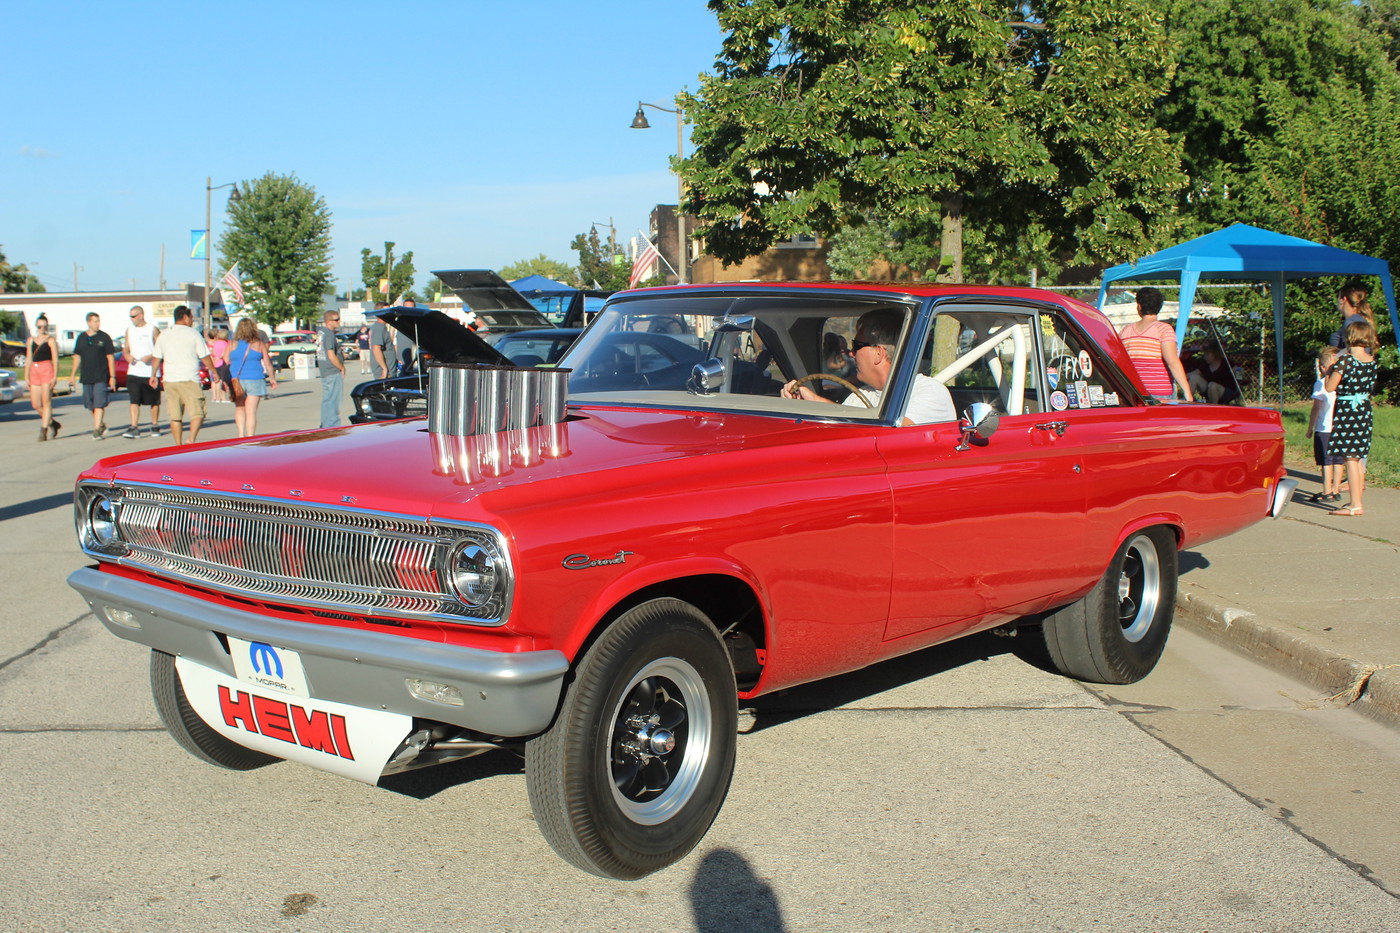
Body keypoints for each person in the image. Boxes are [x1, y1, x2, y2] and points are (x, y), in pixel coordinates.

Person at [782, 309, 957, 425]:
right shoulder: (862, 394)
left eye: (856, 345)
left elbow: (898, 434)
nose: (851, 353)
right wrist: (809, 403)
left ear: (878, 353)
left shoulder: (928, 391)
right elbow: (841, 426)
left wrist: (816, 401)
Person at [1323, 321, 1380, 517]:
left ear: (1349, 337)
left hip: (1348, 411)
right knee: (1356, 458)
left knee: (1350, 459)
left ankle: (1356, 504)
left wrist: (1329, 369)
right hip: (1363, 409)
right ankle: (1356, 501)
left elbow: (1330, 387)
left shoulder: (1345, 361)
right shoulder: (1370, 360)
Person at [151, 305, 220, 445]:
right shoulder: (193, 333)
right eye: (191, 317)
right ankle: (191, 439)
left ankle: (178, 443)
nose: (192, 321)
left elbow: (156, 357)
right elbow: (204, 355)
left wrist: (153, 375)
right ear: (185, 317)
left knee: (175, 416)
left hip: (170, 380)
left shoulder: (164, 334)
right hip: (189, 379)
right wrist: (214, 371)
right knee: (198, 413)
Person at [1118, 287, 1194, 401]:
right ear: (1159, 307)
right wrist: (1187, 391)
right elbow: (1172, 361)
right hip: (1161, 392)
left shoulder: (1125, 331)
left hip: (1135, 392)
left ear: (1139, 306)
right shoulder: (1163, 329)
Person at [66, 312, 117, 440]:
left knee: (99, 403)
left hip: (101, 375)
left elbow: (110, 358)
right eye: (95, 321)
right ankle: (100, 424)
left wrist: (112, 376)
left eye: (98, 321)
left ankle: (96, 430)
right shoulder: (82, 338)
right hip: (87, 376)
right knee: (91, 404)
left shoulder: (104, 337)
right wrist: (72, 375)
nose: (97, 324)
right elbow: (77, 357)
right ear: (88, 322)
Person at [1306, 346, 1344, 504]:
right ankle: (1336, 489)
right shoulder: (1342, 382)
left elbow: (1316, 408)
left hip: (1324, 427)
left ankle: (1326, 490)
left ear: (1322, 367)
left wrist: (1310, 428)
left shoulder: (1321, 383)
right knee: (1338, 460)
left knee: (1326, 461)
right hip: (1339, 427)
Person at [228, 317, 278, 438]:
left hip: (236, 379)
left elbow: (225, 361)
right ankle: (250, 437)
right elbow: (267, 363)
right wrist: (272, 378)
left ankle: (240, 435)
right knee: (251, 411)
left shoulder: (232, 344)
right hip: (255, 378)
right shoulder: (259, 344)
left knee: (240, 408)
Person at [122, 305, 163, 438]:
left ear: (141, 315)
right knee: (134, 400)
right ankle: (134, 426)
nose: (132, 319)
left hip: (150, 371)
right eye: (130, 316)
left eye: (134, 316)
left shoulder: (152, 329)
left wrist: (150, 356)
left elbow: (160, 347)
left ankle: (155, 424)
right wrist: (127, 356)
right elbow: (126, 348)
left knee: (153, 401)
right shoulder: (129, 330)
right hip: (134, 370)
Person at [24, 313, 61, 442]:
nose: (42, 329)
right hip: (34, 370)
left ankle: (44, 430)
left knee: (46, 401)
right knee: (36, 404)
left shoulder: (50, 340)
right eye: (40, 326)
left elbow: (55, 360)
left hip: (47, 369)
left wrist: (55, 376)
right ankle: (52, 422)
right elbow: (28, 358)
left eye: (44, 326)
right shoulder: (31, 341)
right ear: (36, 327)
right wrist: (26, 376)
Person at [317, 310, 347, 428]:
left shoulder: (321, 333)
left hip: (325, 371)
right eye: (336, 320)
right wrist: (342, 367)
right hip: (332, 370)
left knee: (327, 400)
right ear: (329, 321)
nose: (339, 321)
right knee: (334, 401)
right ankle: (332, 426)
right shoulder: (329, 334)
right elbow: (330, 355)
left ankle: (325, 424)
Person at [1327, 282, 1374, 349]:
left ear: (1343, 300)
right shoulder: (1360, 320)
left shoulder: (1351, 323)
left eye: (1338, 297)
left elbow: (1354, 353)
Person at [368, 301, 395, 379]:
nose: (390, 314)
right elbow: (376, 349)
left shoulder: (382, 327)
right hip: (384, 373)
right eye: (387, 311)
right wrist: (384, 368)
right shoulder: (379, 328)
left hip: (389, 371)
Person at [209, 327, 231, 403]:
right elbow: (225, 354)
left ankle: (217, 397)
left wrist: (216, 358)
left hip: (216, 363)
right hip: (223, 363)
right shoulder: (226, 344)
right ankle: (223, 398)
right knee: (223, 380)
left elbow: (214, 353)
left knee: (216, 381)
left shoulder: (215, 343)